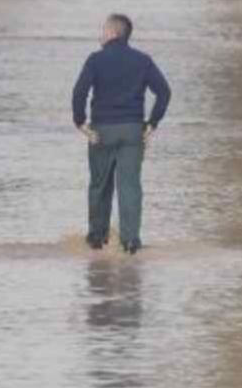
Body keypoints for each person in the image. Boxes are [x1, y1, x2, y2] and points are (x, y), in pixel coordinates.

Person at [71, 13, 171, 254]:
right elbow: (164, 92)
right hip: (132, 130)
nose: (101, 33)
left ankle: (97, 239)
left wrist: (81, 123)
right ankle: (130, 243)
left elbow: (79, 93)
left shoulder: (95, 60)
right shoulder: (143, 60)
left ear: (113, 33)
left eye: (104, 29)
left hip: (101, 131)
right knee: (130, 187)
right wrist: (152, 123)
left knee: (99, 186)